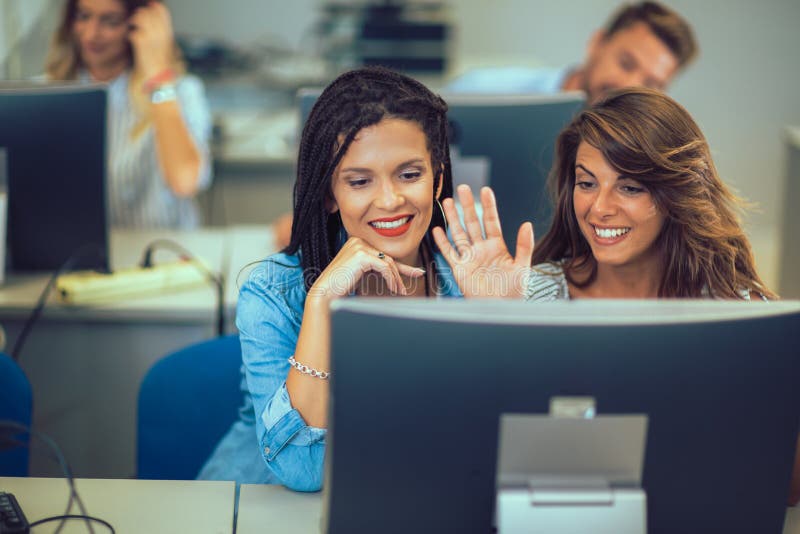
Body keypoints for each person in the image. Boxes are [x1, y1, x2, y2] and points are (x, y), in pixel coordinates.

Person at [198, 66, 460, 490]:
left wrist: (513, 312)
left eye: (410, 174)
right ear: (329, 195)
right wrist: (320, 302)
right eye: (359, 181)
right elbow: (306, 472)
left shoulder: (468, 276)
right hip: (265, 509)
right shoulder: (273, 293)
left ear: (438, 178)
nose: (390, 200)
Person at [434, 87, 774, 301]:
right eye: (587, 183)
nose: (599, 208)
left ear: (675, 197)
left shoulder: (734, 310)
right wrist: (498, 321)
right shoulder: (527, 294)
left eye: (629, 187)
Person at [46, 0, 212, 228]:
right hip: (78, 255)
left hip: (162, 253)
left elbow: (185, 181)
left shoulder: (179, 92)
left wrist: (157, 76)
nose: (92, 33)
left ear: (139, 25)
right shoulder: (46, 93)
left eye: (110, 21)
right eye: (84, 16)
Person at [447, 1, 698, 104]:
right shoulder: (480, 91)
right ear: (597, 43)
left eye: (651, 84)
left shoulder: (643, 160)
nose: (630, 86)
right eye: (626, 63)